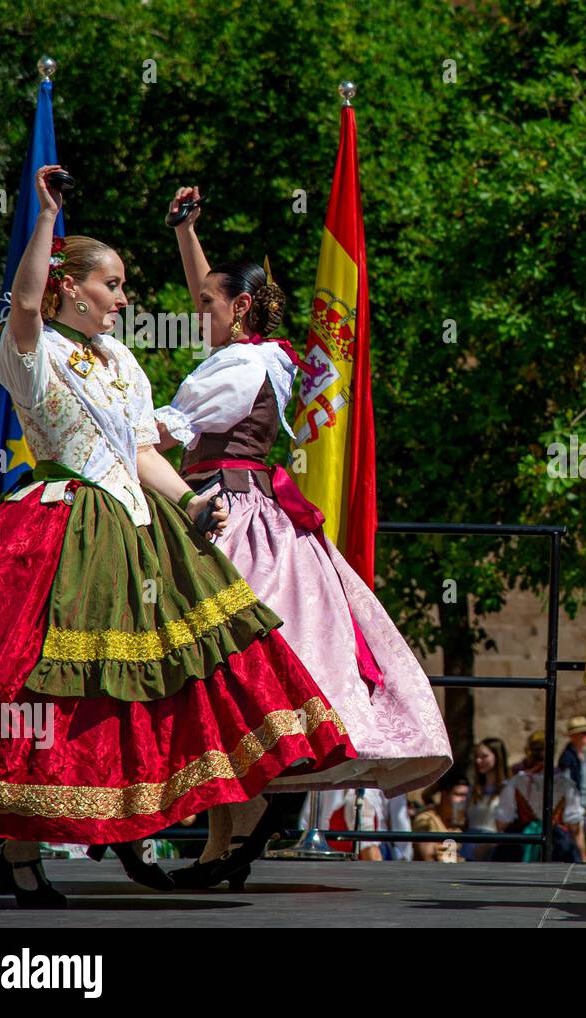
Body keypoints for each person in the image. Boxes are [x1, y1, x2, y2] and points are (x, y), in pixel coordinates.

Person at [0, 166, 354, 907]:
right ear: (74, 289)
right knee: (37, 684)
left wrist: (193, 507)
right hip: (59, 525)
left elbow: (142, 453)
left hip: (138, 530)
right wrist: (46, 217)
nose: (125, 298)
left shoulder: (123, 362)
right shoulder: (33, 350)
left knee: (116, 696)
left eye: (125, 286)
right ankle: (20, 851)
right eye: (113, 285)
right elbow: (29, 302)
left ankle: (105, 831)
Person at [154, 186, 452, 888]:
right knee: (228, 682)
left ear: (242, 308)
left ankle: (234, 833)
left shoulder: (237, 366)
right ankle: (221, 846)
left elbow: (169, 429)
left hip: (229, 517)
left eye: (211, 306)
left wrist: (111, 416)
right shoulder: (270, 357)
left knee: (225, 673)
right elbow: (213, 293)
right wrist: (186, 232)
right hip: (254, 513)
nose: (201, 314)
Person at [495, 731, 586, 862]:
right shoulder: (565, 783)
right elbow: (575, 827)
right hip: (557, 845)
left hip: (522, 844)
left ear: (529, 751)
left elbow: (502, 822)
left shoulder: (515, 782)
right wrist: (583, 857)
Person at [466, 737, 509, 861]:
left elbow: (504, 827)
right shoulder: (474, 790)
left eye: (484, 756)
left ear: (497, 757)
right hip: (468, 848)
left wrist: (484, 848)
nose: (478, 760)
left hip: (491, 851)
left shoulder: (507, 789)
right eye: (477, 756)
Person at [412, 773, 470, 862]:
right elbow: (428, 857)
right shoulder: (426, 819)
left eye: (465, 795)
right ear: (445, 795)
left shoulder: (461, 820)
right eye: (458, 794)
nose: (463, 800)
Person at [557, 716, 586, 809]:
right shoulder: (567, 757)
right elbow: (566, 785)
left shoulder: (585, 754)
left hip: (585, 804)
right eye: (584, 733)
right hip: (574, 807)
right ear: (574, 736)